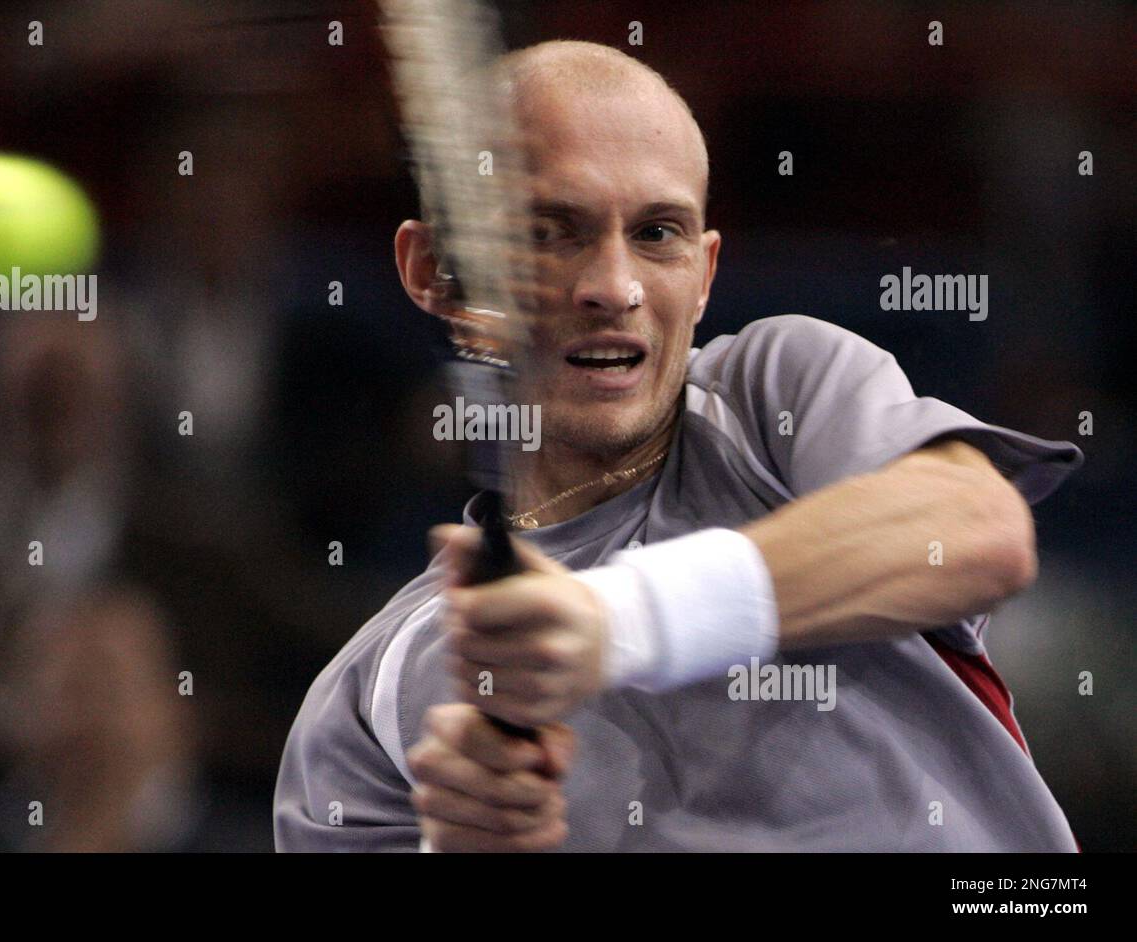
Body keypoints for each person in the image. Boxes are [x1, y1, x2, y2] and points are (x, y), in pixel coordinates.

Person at [273, 40, 1083, 852]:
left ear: (704, 273)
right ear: (433, 272)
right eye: (551, 232)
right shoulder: (367, 708)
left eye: (658, 233)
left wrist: (616, 619)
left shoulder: (776, 396)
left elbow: (979, 530)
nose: (616, 287)